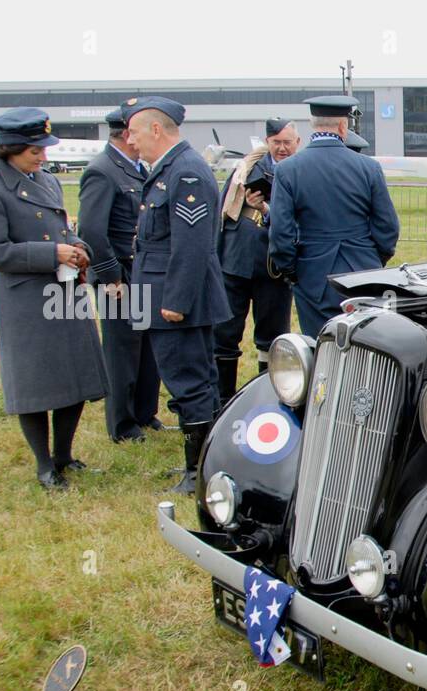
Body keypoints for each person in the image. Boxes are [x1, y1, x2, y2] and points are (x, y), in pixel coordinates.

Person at [0, 108, 108, 490]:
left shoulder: (46, 182)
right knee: (35, 385)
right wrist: (52, 254)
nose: (42, 157)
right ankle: (44, 465)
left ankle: (65, 455)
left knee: (73, 378)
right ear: (11, 149)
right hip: (26, 300)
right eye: (34, 150)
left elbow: (63, 229)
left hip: (63, 292)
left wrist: (77, 248)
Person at [122, 96, 231, 493]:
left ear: (155, 129)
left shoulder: (185, 172)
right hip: (167, 296)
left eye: (133, 132)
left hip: (176, 302)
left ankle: (198, 471)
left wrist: (176, 301)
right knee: (192, 382)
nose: (129, 141)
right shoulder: (170, 169)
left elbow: (192, 244)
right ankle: (202, 463)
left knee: (190, 386)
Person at [268, 95, 399, 339]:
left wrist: (292, 270)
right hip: (362, 270)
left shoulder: (288, 170)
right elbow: (387, 227)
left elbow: (281, 232)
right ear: (342, 126)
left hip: (313, 272)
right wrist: (372, 259)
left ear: (312, 124)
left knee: (321, 347)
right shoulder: (368, 167)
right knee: (368, 344)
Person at [77, 106, 161, 442]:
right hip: (121, 276)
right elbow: (92, 232)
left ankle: (144, 413)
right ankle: (123, 424)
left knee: (146, 349)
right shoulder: (103, 171)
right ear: (127, 134)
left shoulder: (135, 168)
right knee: (122, 351)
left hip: (141, 273)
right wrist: (111, 277)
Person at [213, 118, 299, 406]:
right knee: (225, 331)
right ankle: (223, 399)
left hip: (273, 265)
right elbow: (222, 211)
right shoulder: (247, 167)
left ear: (297, 143)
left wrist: (266, 207)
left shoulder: (300, 172)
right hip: (235, 261)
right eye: (277, 143)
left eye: (288, 142)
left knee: (272, 336)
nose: (282, 148)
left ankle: (270, 398)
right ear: (268, 142)